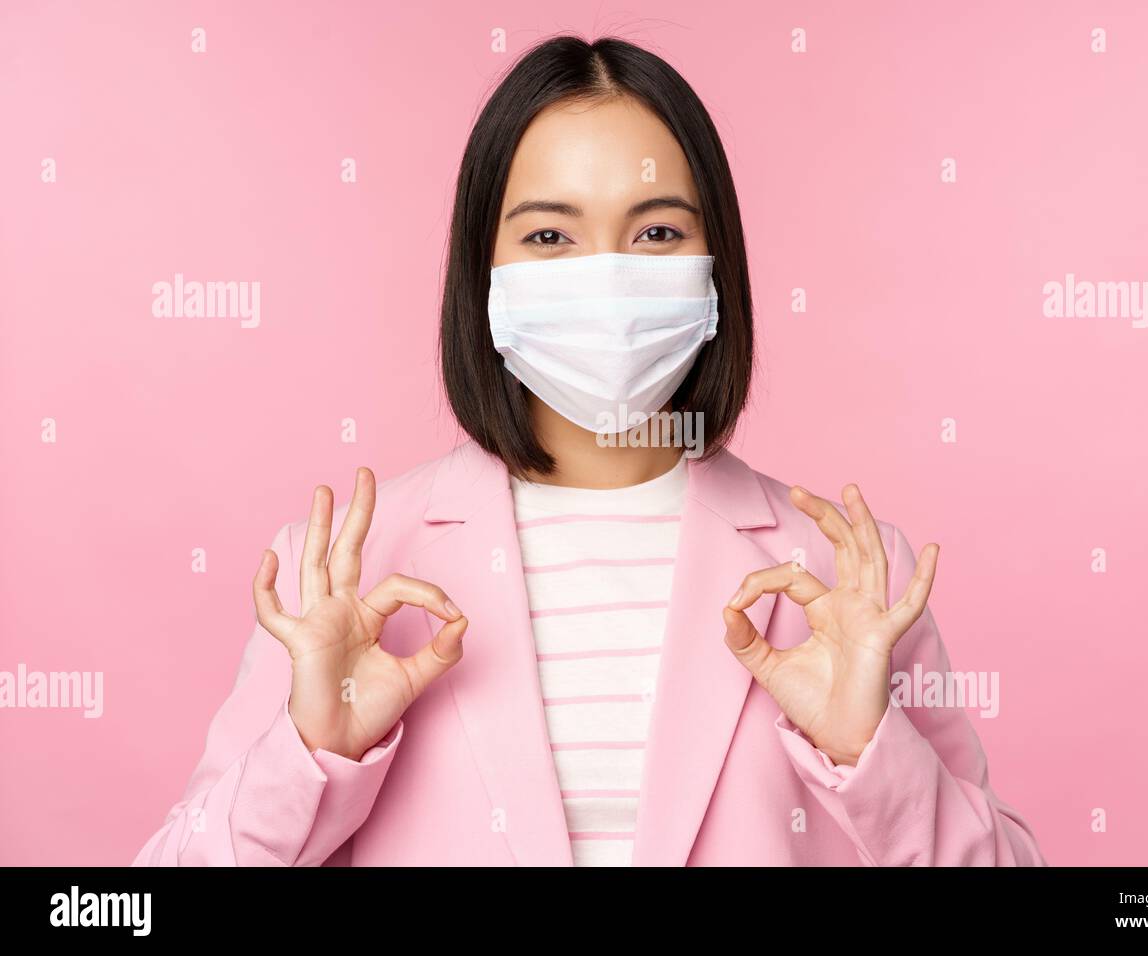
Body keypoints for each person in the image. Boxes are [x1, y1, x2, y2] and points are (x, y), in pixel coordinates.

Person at [134, 34, 1045, 867]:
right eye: (549, 237)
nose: (606, 276)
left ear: (714, 265)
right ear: (482, 278)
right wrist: (310, 757)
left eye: (656, 232)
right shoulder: (343, 574)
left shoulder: (846, 577)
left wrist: (872, 757)